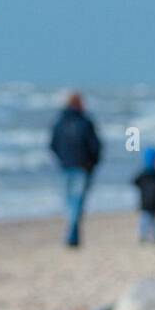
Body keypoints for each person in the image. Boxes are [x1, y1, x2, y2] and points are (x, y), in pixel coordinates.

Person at [49, 91, 102, 247]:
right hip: (82, 167)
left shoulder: (60, 122)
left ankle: (72, 234)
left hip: (66, 166)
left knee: (69, 201)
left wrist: (62, 159)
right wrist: (93, 163)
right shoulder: (85, 122)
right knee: (76, 202)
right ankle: (72, 234)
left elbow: (53, 145)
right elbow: (95, 146)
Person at [133, 146, 155, 245]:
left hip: (145, 202)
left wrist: (142, 189)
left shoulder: (143, 174)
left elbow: (134, 181)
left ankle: (143, 236)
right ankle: (154, 236)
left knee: (145, 220)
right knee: (153, 221)